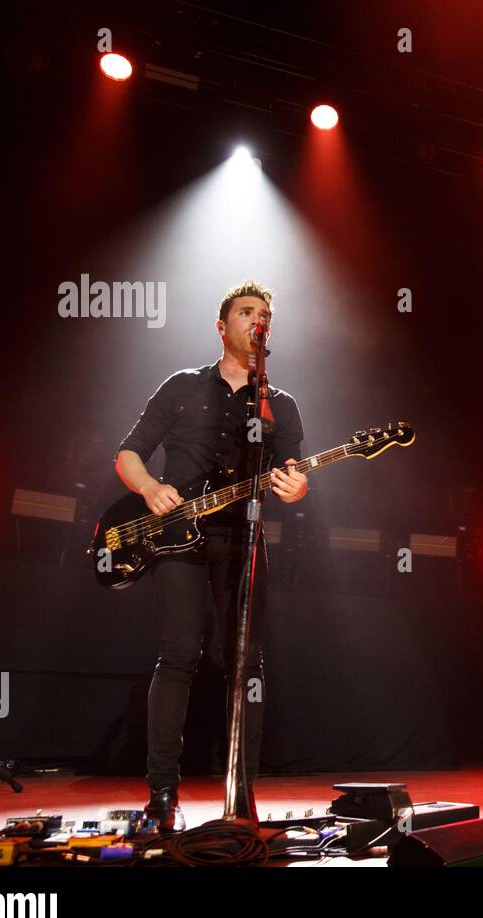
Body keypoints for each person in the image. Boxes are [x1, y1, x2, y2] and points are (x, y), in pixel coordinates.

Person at [114, 280, 306, 832]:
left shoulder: (281, 405)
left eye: (265, 313)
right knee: (178, 655)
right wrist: (150, 489)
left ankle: (240, 794)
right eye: (246, 311)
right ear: (222, 326)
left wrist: (295, 488)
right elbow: (128, 453)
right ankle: (162, 795)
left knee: (248, 666)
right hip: (176, 538)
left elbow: (293, 476)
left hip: (243, 540)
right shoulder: (180, 387)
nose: (257, 320)